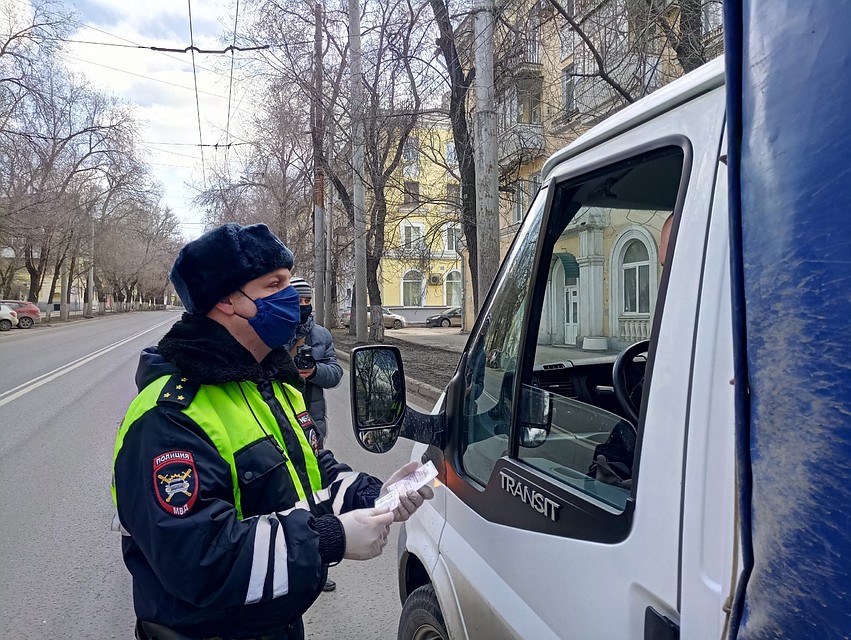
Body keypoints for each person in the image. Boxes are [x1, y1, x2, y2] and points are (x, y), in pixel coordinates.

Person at [111, 223, 433, 640]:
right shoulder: (169, 416)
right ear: (227, 299)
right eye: (274, 284)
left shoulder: (272, 385)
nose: (292, 298)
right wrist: (332, 539)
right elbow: (199, 558)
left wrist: (376, 495)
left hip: (272, 624)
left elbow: (313, 473)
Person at [286, 276, 343, 592]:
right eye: (298, 301)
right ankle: (282, 561)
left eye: (308, 301)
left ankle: (318, 567)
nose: (304, 306)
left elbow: (335, 373)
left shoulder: (321, 335)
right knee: (282, 496)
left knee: (317, 498)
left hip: (312, 427)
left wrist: (313, 372)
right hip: (276, 425)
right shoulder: (274, 333)